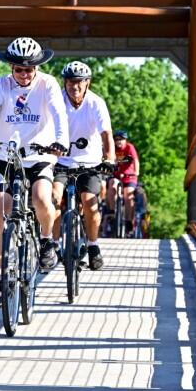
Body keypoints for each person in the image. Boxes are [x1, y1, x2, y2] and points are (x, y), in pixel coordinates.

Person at [0, 37, 68, 308]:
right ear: (11, 67)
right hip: (7, 156)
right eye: (19, 69)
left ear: (37, 67)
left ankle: (47, 241)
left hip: (39, 154)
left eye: (29, 69)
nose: (24, 74)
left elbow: (59, 113)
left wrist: (61, 140)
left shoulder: (48, 84)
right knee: (0, 208)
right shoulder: (1, 84)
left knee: (40, 198)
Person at [50, 61, 115, 271]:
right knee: (54, 198)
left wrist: (109, 158)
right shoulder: (56, 99)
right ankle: (51, 246)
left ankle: (93, 246)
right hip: (61, 162)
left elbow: (106, 134)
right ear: (64, 82)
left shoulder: (96, 103)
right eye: (70, 81)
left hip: (90, 163)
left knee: (90, 203)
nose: (74, 86)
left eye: (79, 82)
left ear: (87, 83)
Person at [108, 129, 141, 234]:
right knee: (112, 184)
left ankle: (128, 221)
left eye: (121, 139)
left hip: (129, 176)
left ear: (125, 140)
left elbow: (135, 160)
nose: (118, 142)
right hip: (117, 175)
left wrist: (136, 172)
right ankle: (113, 212)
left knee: (128, 195)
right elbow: (108, 159)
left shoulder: (129, 147)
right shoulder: (113, 149)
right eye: (116, 139)